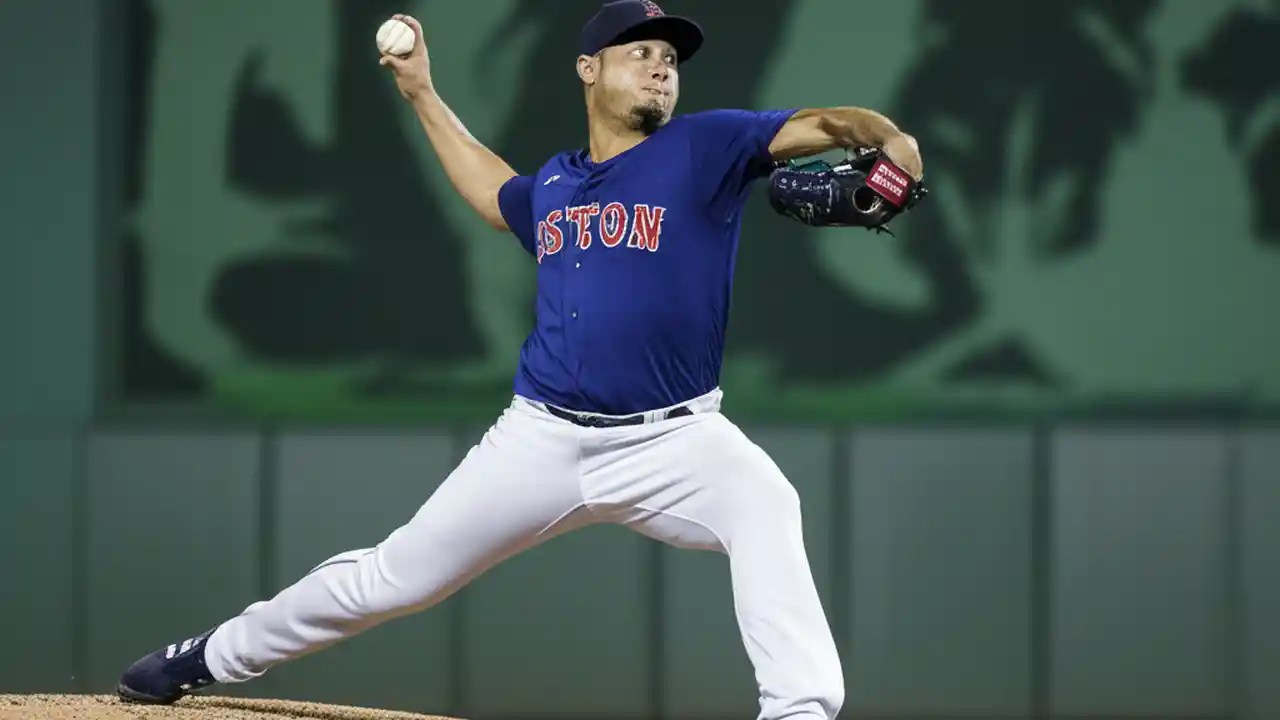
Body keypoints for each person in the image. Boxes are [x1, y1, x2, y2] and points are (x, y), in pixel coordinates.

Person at [116, 3, 923, 718]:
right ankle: (211, 656)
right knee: (393, 578)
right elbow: (492, 190)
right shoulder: (558, 186)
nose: (661, 67)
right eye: (640, 51)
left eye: (671, 59)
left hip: (674, 441)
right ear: (589, 69)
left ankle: (799, 714)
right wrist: (420, 93)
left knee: (767, 505)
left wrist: (894, 142)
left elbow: (829, 123)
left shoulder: (707, 147)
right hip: (539, 439)